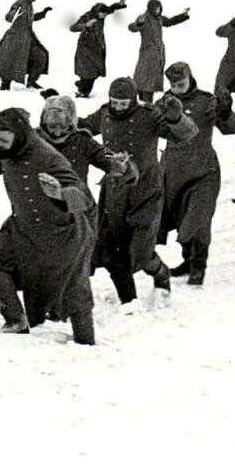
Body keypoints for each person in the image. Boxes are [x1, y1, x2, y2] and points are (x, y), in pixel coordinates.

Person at [0, 107, 97, 345]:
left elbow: (84, 196)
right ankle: (15, 320)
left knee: (74, 293)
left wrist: (62, 193)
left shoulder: (47, 157)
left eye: (4, 140)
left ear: (19, 136)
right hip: (23, 230)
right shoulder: (9, 151)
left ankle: (87, 348)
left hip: (63, 235)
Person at [78, 77, 197, 305]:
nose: (118, 107)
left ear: (133, 101)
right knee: (112, 246)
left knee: (141, 251)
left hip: (147, 191)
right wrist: (57, 121)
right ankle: (128, 299)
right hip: (114, 191)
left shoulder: (148, 116)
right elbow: (81, 128)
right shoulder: (104, 114)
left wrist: (176, 117)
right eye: (114, 102)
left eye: (123, 103)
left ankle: (160, 273)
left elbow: (184, 134)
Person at [157, 62, 235, 285]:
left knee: (199, 218)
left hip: (204, 170)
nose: (178, 88)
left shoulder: (206, 101)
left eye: (182, 83)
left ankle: (198, 266)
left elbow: (233, 128)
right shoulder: (164, 103)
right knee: (180, 217)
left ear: (190, 78)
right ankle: (188, 260)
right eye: (174, 85)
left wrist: (225, 112)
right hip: (174, 172)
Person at [36, 94, 136, 236]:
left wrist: (119, 163)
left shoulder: (83, 141)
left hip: (74, 209)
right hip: (38, 211)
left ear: (71, 123)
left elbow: (105, 157)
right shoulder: (33, 141)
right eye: (52, 126)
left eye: (62, 126)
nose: (57, 131)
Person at [0, 0, 52, 91]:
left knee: (41, 55)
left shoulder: (29, 5)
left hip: (28, 37)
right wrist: (14, 13)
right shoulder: (20, 3)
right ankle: (5, 84)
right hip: (15, 37)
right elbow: (8, 18)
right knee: (10, 59)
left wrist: (43, 13)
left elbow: (30, 18)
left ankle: (31, 81)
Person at [128, 0, 190, 103]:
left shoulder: (159, 19)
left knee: (149, 79)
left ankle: (144, 100)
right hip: (147, 54)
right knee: (146, 79)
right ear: (150, 8)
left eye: (159, 8)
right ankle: (146, 102)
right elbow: (132, 27)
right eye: (155, 8)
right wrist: (139, 23)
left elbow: (170, 21)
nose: (157, 10)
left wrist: (183, 15)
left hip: (158, 54)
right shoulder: (145, 18)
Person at [68, 0, 127, 98]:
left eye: (105, 14)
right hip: (85, 49)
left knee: (95, 71)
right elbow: (73, 27)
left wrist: (119, 5)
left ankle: (82, 85)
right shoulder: (88, 16)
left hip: (97, 48)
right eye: (102, 14)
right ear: (98, 12)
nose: (104, 16)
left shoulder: (102, 13)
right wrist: (86, 25)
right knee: (88, 71)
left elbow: (110, 8)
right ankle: (83, 92)